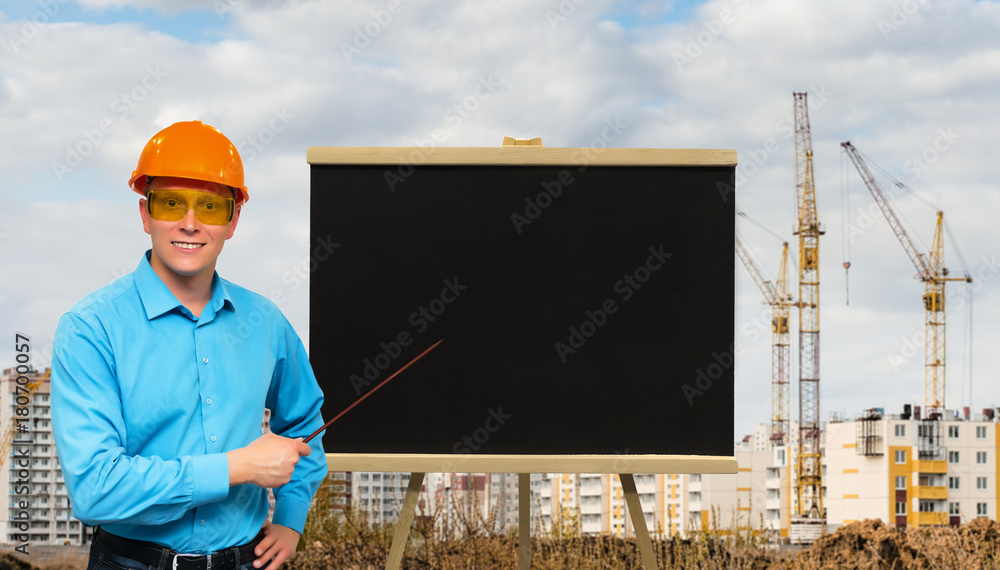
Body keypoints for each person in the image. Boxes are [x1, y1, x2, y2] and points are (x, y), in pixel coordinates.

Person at [51, 121, 328, 570]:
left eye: (211, 207)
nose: (190, 224)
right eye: (172, 203)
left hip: (245, 561)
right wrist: (237, 468)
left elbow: (305, 421)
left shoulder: (265, 323)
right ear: (145, 213)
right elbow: (95, 487)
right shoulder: (90, 328)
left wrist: (291, 518)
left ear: (234, 220)